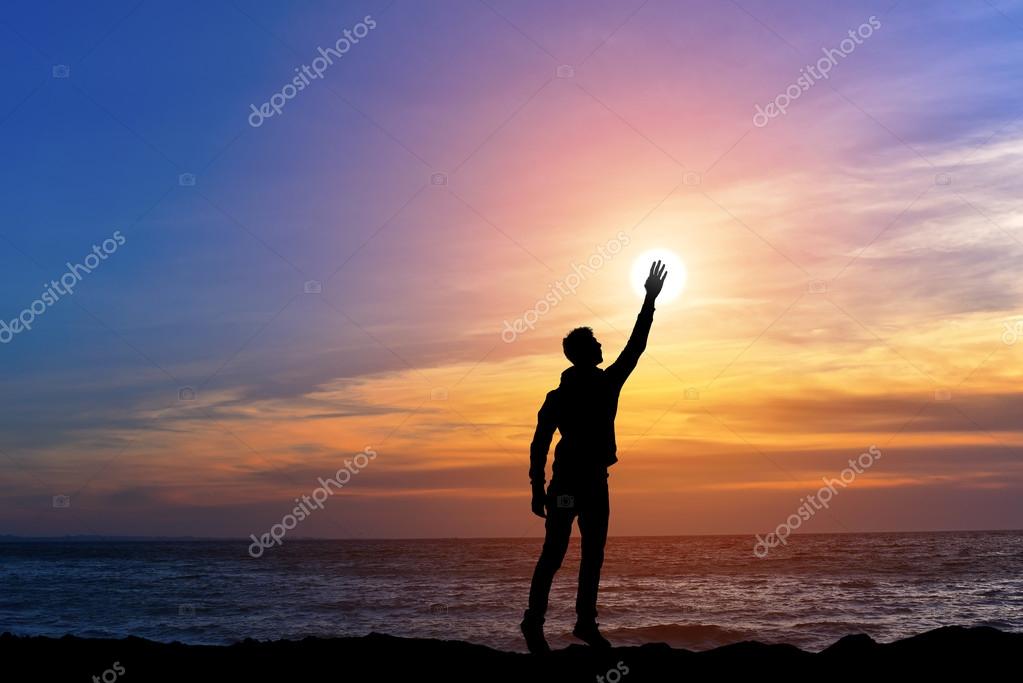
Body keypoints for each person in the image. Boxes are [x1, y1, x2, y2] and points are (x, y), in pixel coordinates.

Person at [520, 260, 668, 653]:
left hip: (587, 484)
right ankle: (535, 622)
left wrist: (538, 489)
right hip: (570, 485)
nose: (604, 346)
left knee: (589, 552)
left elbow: (539, 446)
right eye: (597, 343)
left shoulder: (586, 388)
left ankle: (582, 622)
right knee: (560, 551)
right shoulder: (589, 388)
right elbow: (539, 443)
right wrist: (649, 301)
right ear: (585, 353)